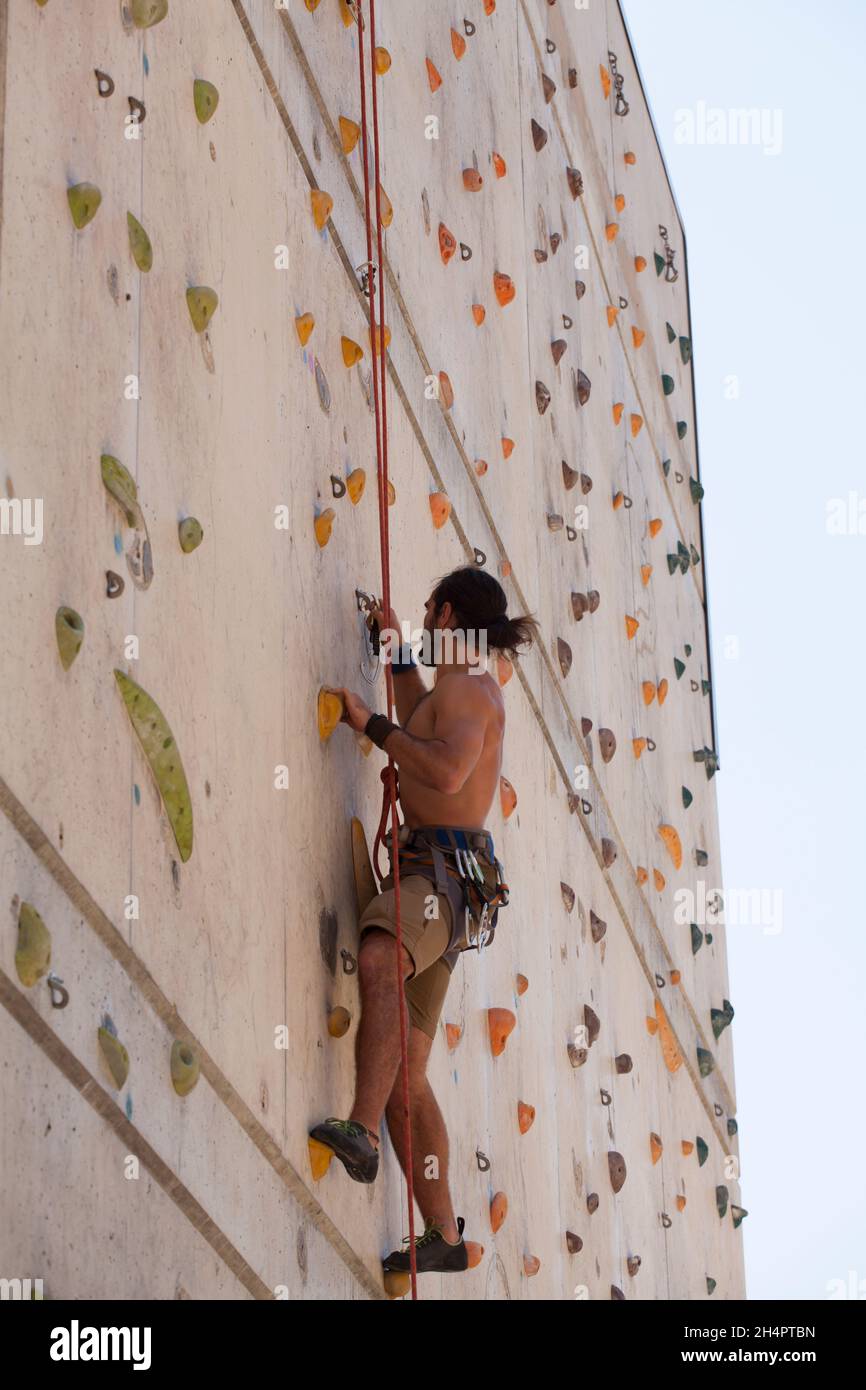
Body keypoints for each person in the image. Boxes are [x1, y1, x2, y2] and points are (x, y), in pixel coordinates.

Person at [309, 565, 538, 1275]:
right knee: (406, 1073)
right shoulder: (453, 691)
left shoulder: (472, 691)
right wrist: (394, 651)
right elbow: (419, 724)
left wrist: (368, 724)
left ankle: (361, 1134)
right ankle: (441, 1233)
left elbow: (439, 770)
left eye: (428, 612)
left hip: (437, 879)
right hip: (448, 889)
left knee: (379, 956)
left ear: (446, 617)